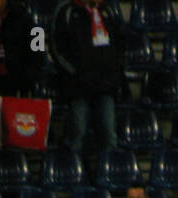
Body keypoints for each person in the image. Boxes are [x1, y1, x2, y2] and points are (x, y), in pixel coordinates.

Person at [50, 0, 123, 156]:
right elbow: (57, 47)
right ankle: (73, 173)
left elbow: (119, 43)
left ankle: (108, 171)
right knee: (78, 132)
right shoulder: (67, 11)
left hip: (106, 85)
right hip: (78, 85)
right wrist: (74, 73)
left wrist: (115, 73)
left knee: (109, 133)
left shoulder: (109, 10)